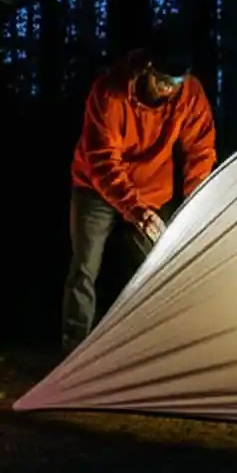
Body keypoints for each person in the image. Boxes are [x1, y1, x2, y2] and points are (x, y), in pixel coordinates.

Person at [61, 31, 217, 352]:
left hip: (152, 191)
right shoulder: (109, 94)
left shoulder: (188, 93)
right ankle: (74, 354)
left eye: (176, 81)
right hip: (95, 188)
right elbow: (103, 160)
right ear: (146, 68)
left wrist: (196, 202)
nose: (169, 89)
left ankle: (144, 352)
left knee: (153, 268)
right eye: (163, 81)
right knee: (85, 269)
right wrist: (133, 209)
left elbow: (200, 150)